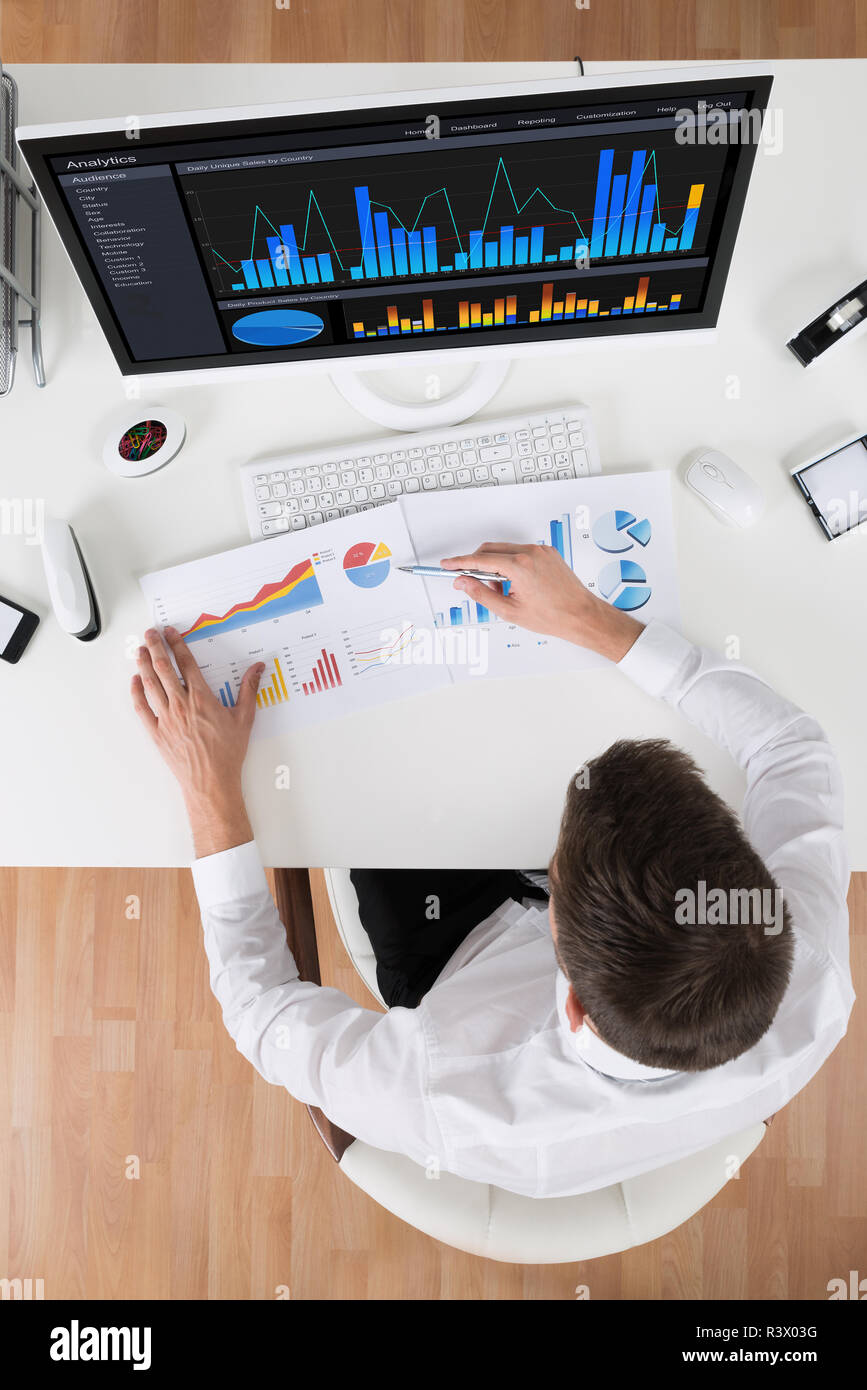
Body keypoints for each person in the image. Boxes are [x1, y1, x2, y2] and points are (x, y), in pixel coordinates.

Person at [131, 544, 854, 1198]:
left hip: (456, 952)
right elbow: (792, 749)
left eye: (554, 863)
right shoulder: (807, 965)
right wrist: (593, 620)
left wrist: (209, 793)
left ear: (566, 999)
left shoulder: (439, 1087)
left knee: (368, 786)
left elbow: (261, 1013)